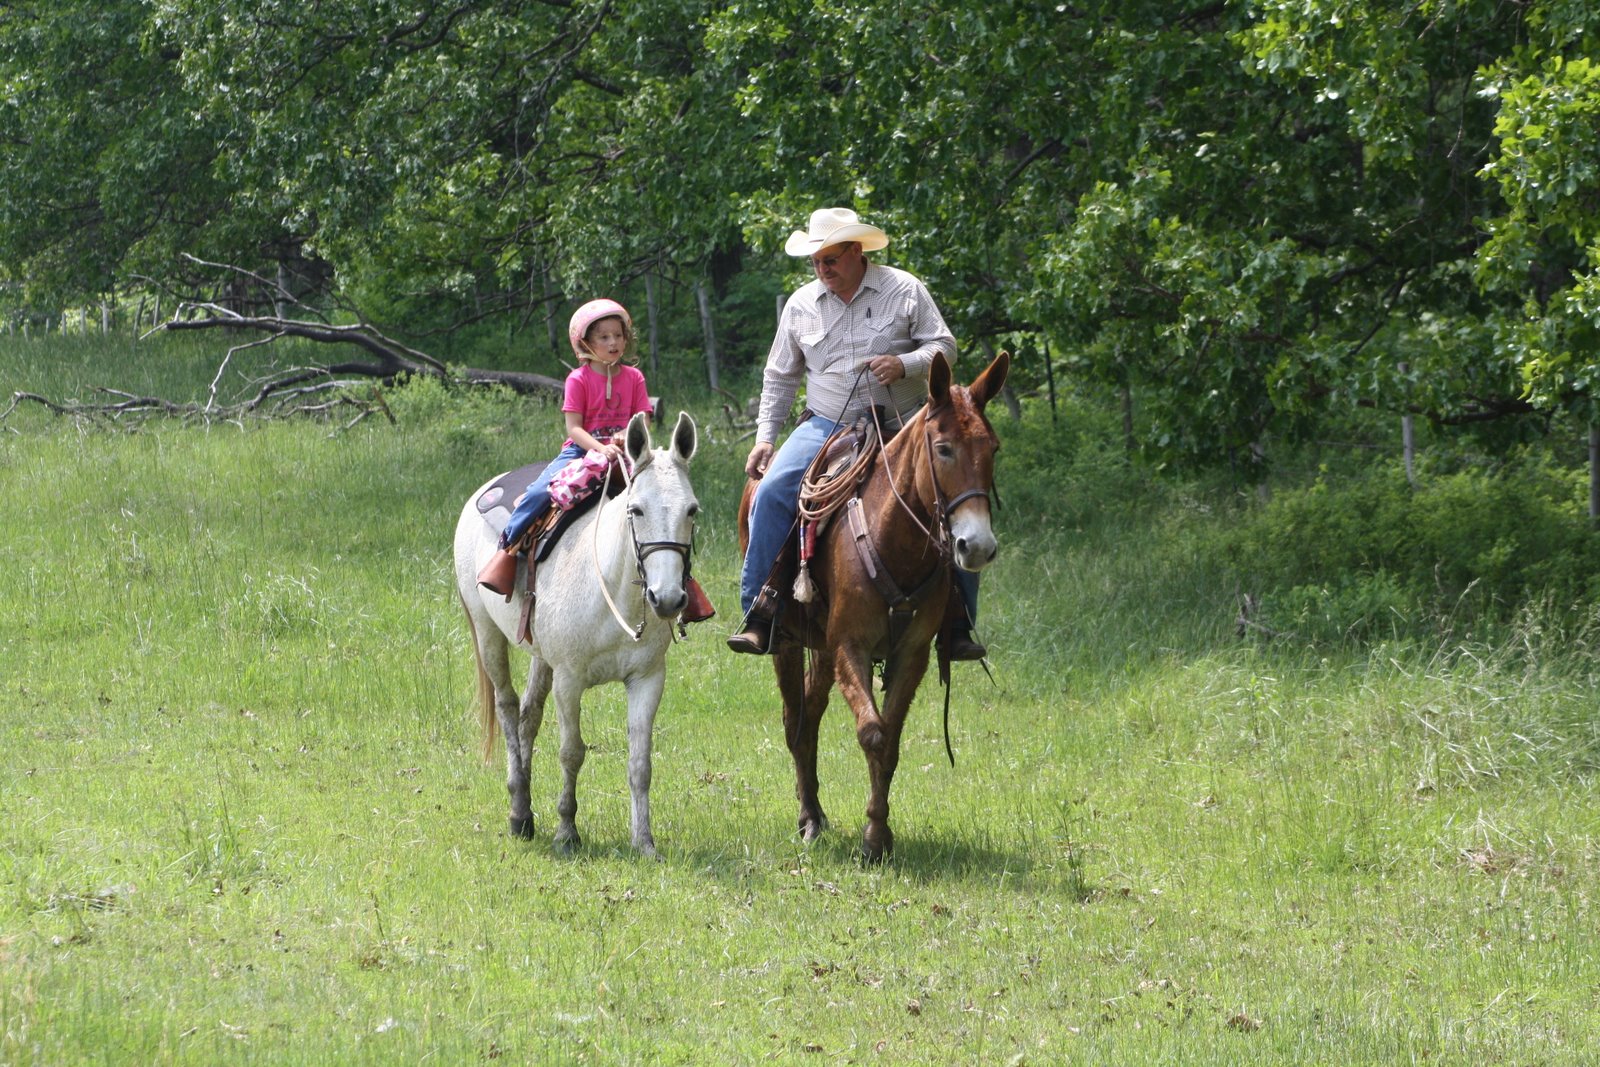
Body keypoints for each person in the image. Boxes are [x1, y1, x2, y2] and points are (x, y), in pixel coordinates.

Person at [728, 207, 983, 658]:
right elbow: (781, 376)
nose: (822, 270)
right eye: (816, 262)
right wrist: (766, 436)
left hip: (901, 423)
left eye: (831, 259)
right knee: (770, 493)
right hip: (826, 423)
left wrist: (904, 364)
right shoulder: (800, 305)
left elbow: (944, 345)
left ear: (856, 252)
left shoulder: (904, 289)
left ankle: (957, 621)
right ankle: (761, 611)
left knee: (961, 496)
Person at [478, 299, 714, 623]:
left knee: (665, 505)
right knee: (538, 494)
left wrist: (623, 438)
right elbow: (574, 429)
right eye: (603, 337)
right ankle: (507, 550)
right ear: (586, 343)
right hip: (582, 452)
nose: (613, 343)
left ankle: (682, 582)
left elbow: (643, 419)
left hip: (628, 453)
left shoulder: (634, 378)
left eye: (617, 335)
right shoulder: (578, 379)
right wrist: (599, 448)